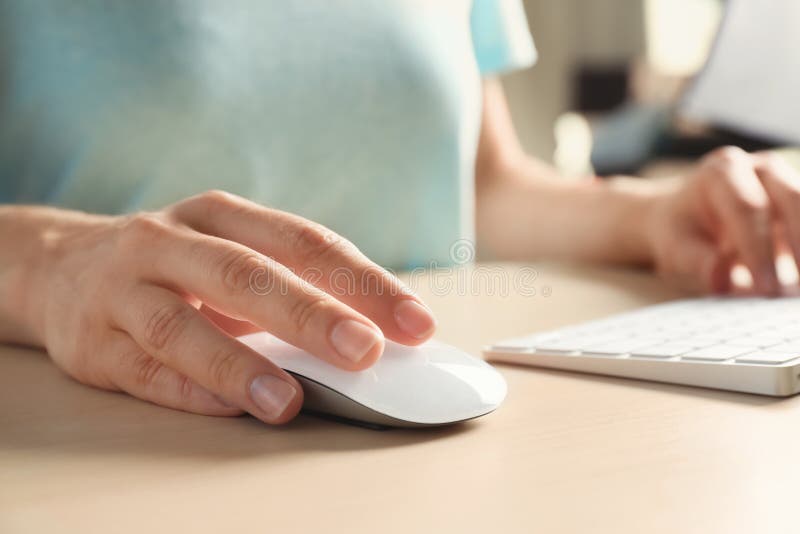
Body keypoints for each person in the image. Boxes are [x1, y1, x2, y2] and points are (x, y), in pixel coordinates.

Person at [1, 0, 798, 425]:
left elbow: (480, 185)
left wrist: (650, 217)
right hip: (115, 440)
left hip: (422, 448)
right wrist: (44, 264)